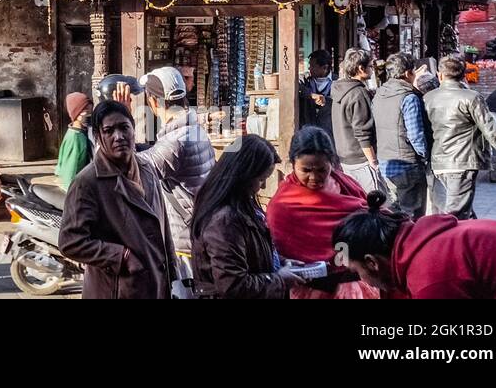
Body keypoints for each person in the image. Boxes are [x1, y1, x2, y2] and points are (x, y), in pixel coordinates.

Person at [58, 99, 175, 299]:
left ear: (133, 130)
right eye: (109, 131)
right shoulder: (88, 182)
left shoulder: (147, 170)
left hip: (155, 284)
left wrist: (173, 273)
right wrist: (120, 256)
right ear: (97, 137)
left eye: (124, 128)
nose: (118, 136)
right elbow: (70, 241)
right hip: (117, 289)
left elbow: (163, 228)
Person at [334, 190, 496, 298]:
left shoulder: (429, 275)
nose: (363, 280)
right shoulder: (421, 239)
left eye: (357, 271)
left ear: (372, 262)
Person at [265, 126, 376, 299]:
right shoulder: (282, 207)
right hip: (310, 289)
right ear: (292, 164)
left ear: (332, 164)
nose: (314, 177)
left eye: (321, 170)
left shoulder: (345, 184)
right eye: (306, 170)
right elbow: (279, 255)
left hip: (354, 284)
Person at [191, 135, 300, 299]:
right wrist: (280, 279)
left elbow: (251, 254)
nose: (263, 186)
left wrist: (281, 263)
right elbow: (233, 285)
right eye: (261, 179)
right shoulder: (223, 221)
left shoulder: (243, 205)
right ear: (244, 176)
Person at [424, 55, 496, 219]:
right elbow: (492, 131)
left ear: (440, 75)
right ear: (464, 75)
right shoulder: (471, 97)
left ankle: (475, 241)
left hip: (438, 162)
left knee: (460, 210)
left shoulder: (428, 97)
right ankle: (453, 243)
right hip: (462, 161)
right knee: (456, 216)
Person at [137, 65, 214, 258]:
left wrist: (119, 116)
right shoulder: (194, 130)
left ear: (153, 102)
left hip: (183, 241)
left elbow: (132, 168)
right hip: (197, 229)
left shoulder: (174, 142)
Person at [373, 53, 431, 218]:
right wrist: (424, 155)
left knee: (395, 211)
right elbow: (415, 135)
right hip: (407, 164)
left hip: (386, 162)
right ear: (407, 73)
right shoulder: (408, 97)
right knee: (411, 215)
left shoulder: (379, 94)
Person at [331, 48, 380, 192]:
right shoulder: (358, 93)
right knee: (373, 204)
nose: (372, 70)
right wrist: (373, 161)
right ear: (360, 68)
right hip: (361, 159)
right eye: (370, 66)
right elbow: (363, 132)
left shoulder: (340, 89)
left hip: (344, 157)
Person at [56, 92, 93, 190]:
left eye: (90, 110)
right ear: (76, 113)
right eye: (86, 111)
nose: (89, 114)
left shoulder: (82, 132)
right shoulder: (75, 138)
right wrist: (72, 194)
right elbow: (69, 172)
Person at [298, 49, 333, 132]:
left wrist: (326, 100)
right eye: (310, 65)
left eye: (313, 66)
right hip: (308, 129)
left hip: (328, 131)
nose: (309, 68)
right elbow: (296, 85)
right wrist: (311, 95)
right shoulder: (305, 79)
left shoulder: (337, 82)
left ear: (325, 67)